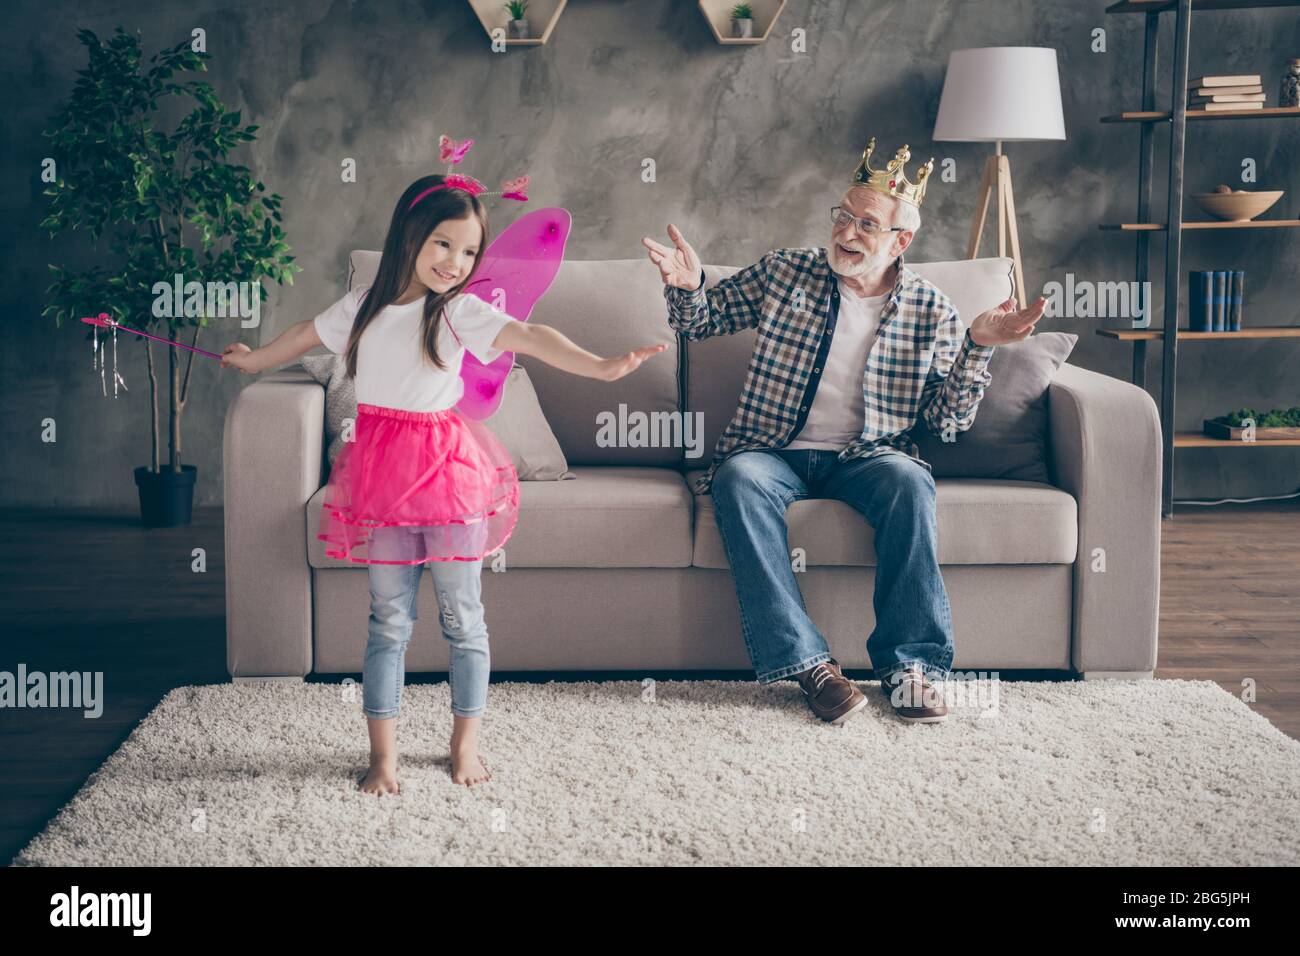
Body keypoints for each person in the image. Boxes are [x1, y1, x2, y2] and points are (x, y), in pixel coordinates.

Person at [223, 172, 666, 793]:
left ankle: (464, 744)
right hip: (380, 479)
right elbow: (305, 334)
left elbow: (533, 337)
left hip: (448, 476)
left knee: (463, 617)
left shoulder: (460, 311)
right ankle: (383, 756)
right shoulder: (363, 307)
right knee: (387, 621)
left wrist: (601, 366)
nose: (455, 262)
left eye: (467, 251)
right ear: (409, 234)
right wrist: (255, 357)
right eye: (442, 244)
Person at [642, 137, 1045, 725]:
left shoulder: (931, 310)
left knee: (910, 482)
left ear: (901, 241)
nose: (847, 233)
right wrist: (688, 287)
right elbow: (704, 321)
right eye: (843, 216)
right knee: (738, 478)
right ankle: (809, 666)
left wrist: (977, 347)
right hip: (772, 451)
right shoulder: (787, 272)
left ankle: (911, 670)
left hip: (868, 456)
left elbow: (947, 423)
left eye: (867, 224)